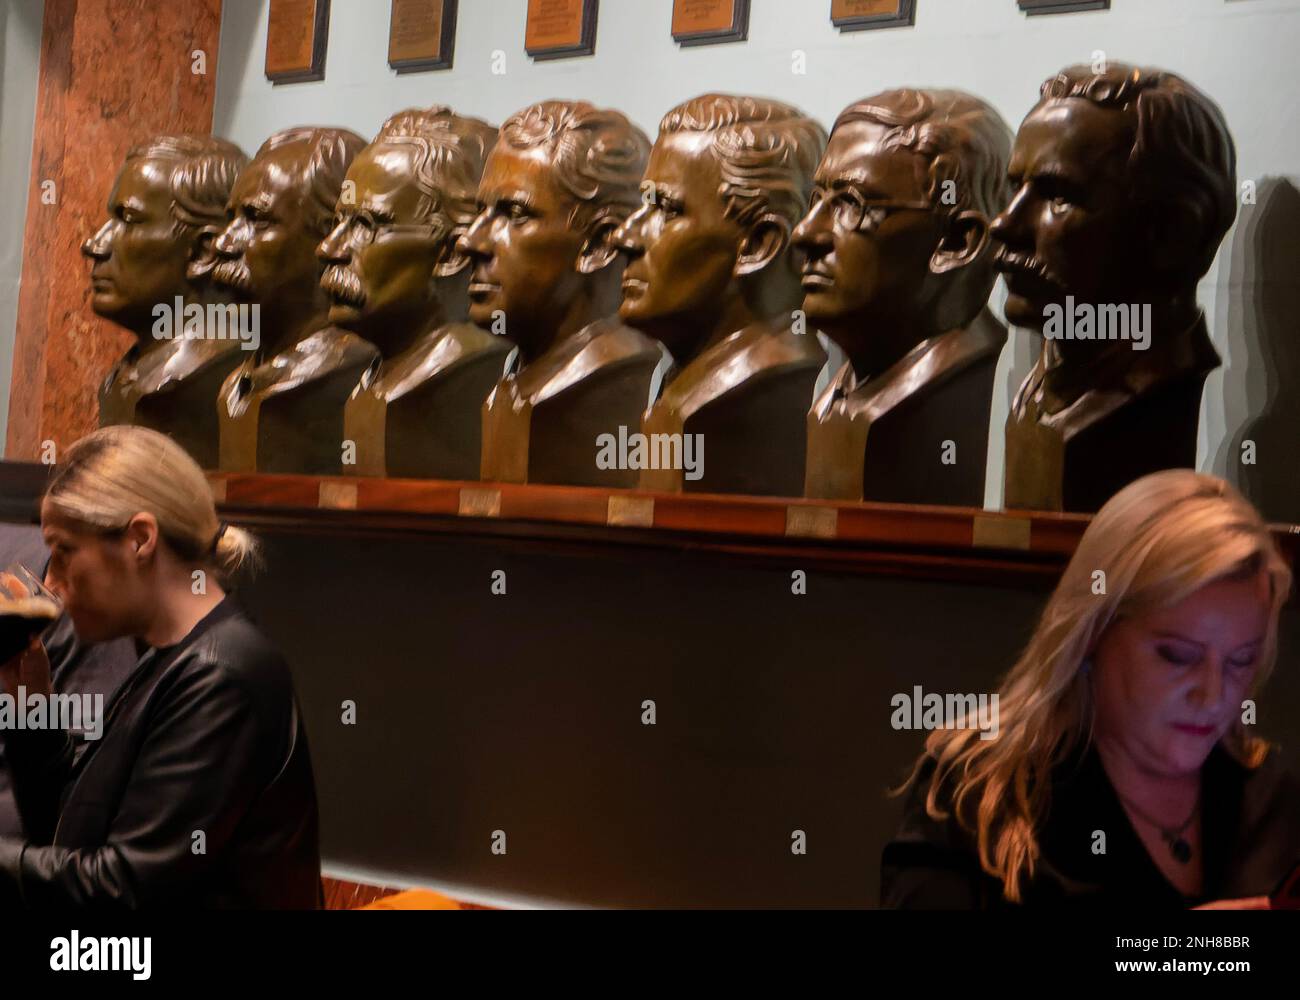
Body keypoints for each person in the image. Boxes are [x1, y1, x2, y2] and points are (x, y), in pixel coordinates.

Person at [881, 469, 1300, 908]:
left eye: (1240, 661)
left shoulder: (1275, 802)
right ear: (1093, 631)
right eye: (1178, 656)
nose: (1214, 696)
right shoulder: (981, 793)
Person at [0, 426, 321, 908]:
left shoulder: (222, 674)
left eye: (64, 553)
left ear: (140, 540)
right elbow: (71, 835)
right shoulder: (169, 658)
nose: (55, 583)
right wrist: (31, 712)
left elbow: (123, 890)